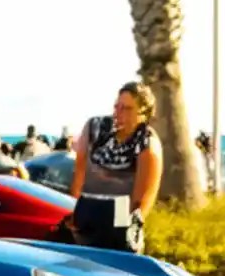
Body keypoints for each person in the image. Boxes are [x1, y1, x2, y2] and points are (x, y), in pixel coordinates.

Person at [68, 81, 164, 254]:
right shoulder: (95, 127)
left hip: (120, 209)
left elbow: (143, 196)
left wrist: (131, 229)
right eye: (117, 107)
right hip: (89, 204)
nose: (118, 113)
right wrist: (75, 208)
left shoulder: (147, 141)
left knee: (115, 261)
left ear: (143, 114)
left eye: (127, 109)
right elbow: (80, 171)